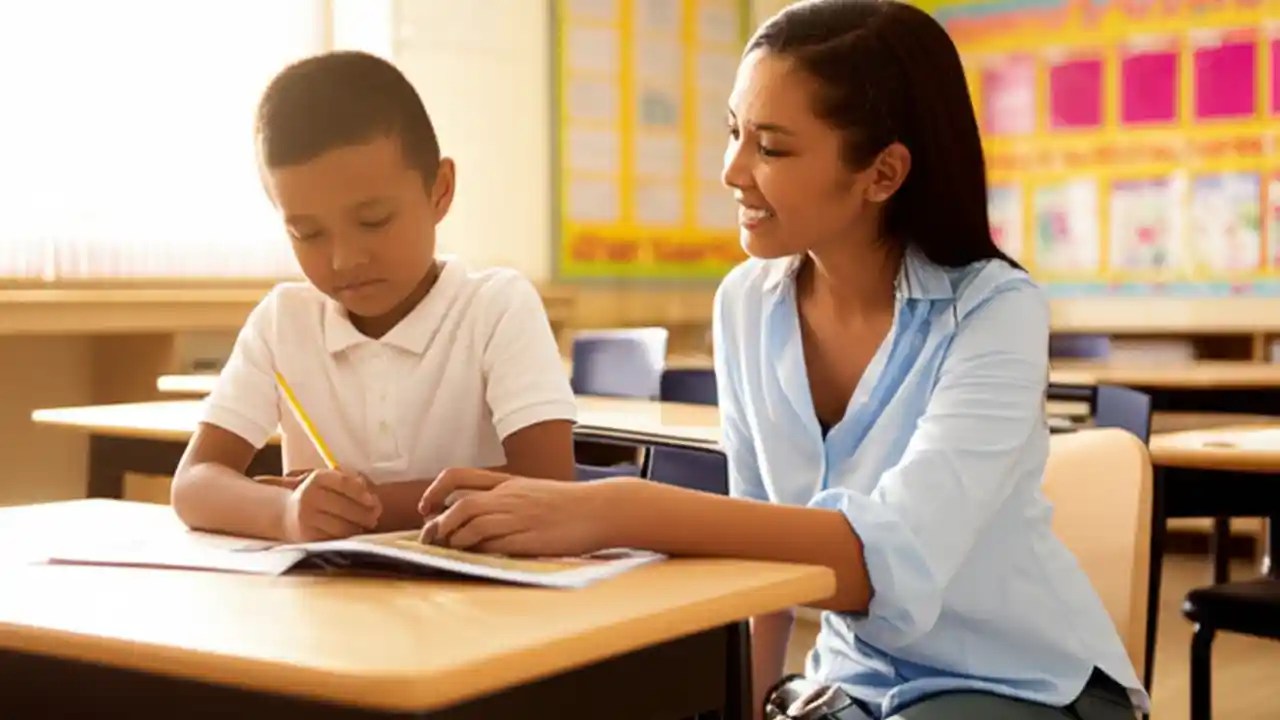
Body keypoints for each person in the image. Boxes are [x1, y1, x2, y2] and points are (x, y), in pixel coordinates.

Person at [413, 1, 1147, 718]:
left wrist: (612, 509)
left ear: (882, 175)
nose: (733, 171)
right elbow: (760, 554)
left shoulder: (995, 310)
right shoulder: (747, 304)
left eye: (771, 147)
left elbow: (886, 562)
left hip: (1026, 684)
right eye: (733, 132)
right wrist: (751, 697)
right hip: (853, 685)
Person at [171, 51, 576, 542]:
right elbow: (193, 483)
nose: (344, 259)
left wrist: (370, 508)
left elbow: (551, 486)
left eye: (374, 221)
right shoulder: (284, 323)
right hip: (328, 608)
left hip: (482, 606)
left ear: (440, 191)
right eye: (307, 233)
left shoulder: (497, 308)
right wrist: (285, 512)